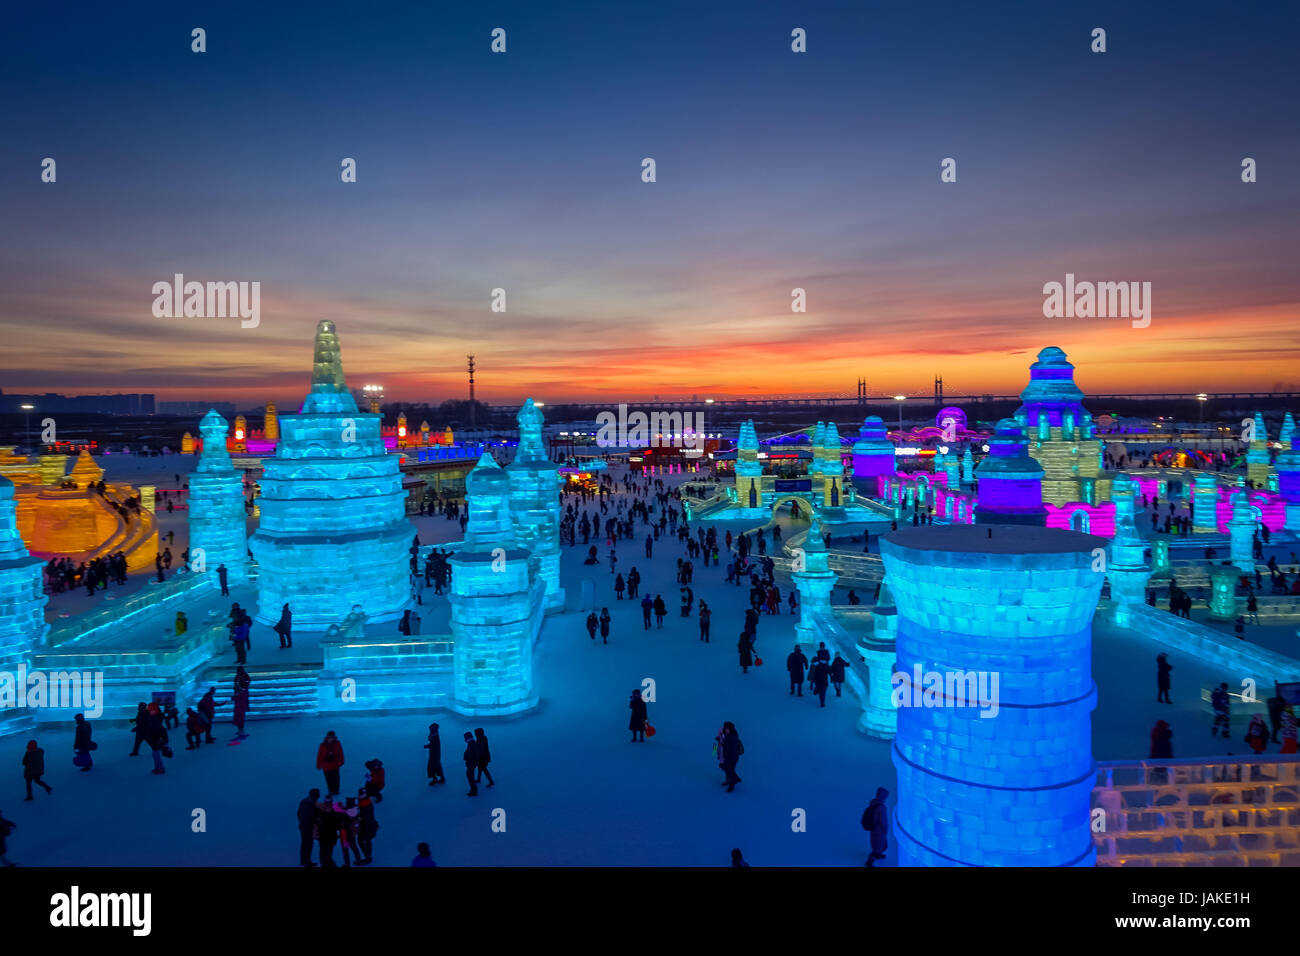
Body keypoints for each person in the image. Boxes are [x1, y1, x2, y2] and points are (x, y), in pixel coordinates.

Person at [862, 787, 890, 866]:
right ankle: (870, 860)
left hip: (874, 829)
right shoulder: (881, 807)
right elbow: (882, 820)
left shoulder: (874, 803)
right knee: (878, 845)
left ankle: (877, 854)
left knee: (877, 844)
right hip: (879, 830)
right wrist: (885, 829)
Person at [317, 730, 345, 796]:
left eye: (332, 737)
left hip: (335, 764)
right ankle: (331, 790)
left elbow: (340, 752)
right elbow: (319, 755)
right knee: (329, 779)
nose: (331, 739)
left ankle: (336, 790)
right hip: (326, 766)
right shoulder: (322, 745)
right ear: (327, 737)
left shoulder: (337, 743)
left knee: (336, 778)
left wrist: (342, 761)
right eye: (329, 737)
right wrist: (319, 764)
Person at [298, 788, 321, 867]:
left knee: (304, 843)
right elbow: (314, 815)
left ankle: (303, 860)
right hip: (309, 826)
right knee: (308, 844)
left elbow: (298, 813)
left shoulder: (303, 801)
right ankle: (307, 861)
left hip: (303, 825)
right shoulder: (313, 804)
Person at [719, 722, 742, 792]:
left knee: (730, 770)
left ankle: (732, 784)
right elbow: (716, 746)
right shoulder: (722, 735)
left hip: (732, 758)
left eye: (727, 729)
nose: (726, 730)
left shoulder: (732, 737)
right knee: (724, 768)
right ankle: (728, 780)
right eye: (725, 729)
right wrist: (716, 754)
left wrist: (723, 744)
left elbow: (731, 749)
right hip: (724, 757)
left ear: (731, 729)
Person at [463, 732, 480, 797]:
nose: (465, 740)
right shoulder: (471, 743)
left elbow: (473, 754)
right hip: (471, 763)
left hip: (471, 763)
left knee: (469, 775)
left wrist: (466, 756)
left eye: (465, 738)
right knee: (470, 775)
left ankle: (474, 790)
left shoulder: (472, 744)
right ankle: (474, 788)